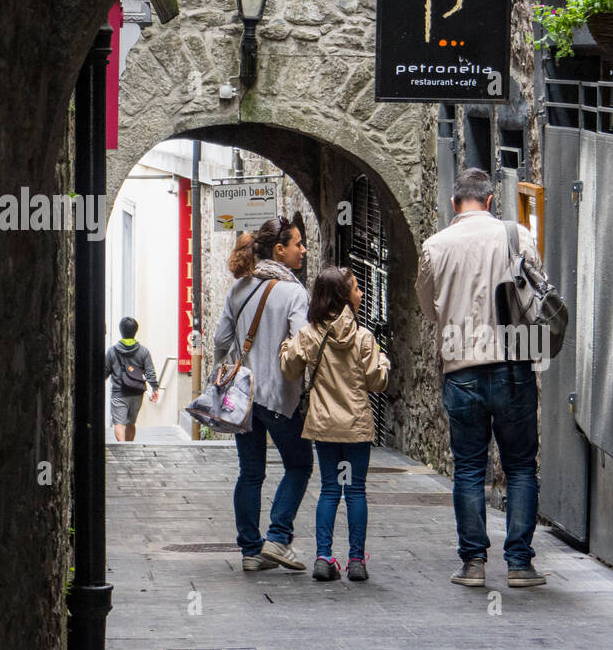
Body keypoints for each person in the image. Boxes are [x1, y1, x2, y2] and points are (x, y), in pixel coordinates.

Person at [415, 167, 547, 588]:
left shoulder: (435, 246)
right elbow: (538, 292)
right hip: (513, 365)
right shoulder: (517, 236)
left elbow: (427, 305)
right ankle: (520, 564)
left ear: (455, 203)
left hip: (461, 367)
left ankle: (473, 563)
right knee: (521, 467)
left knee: (469, 468)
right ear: (491, 200)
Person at [214, 216, 313, 573]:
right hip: (278, 396)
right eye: (298, 244)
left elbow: (221, 341)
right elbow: (301, 343)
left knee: (250, 472)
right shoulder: (294, 292)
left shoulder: (240, 288)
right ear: (279, 250)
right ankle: (278, 537)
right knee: (300, 464)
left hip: (243, 396)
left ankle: (251, 550)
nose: (303, 250)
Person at [281, 267, 390, 582]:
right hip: (356, 425)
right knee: (355, 490)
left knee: (330, 488)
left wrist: (285, 348)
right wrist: (384, 362)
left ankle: (323, 557)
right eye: (356, 288)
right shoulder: (363, 338)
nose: (360, 294)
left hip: (325, 424)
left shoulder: (310, 335)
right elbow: (377, 382)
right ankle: (356, 560)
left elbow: (289, 370)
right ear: (343, 296)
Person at [105, 316, 159, 442]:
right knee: (131, 423)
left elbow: (105, 371)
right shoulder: (143, 351)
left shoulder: (112, 351)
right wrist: (155, 388)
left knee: (119, 423)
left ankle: (122, 446)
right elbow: (150, 371)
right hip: (136, 393)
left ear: (121, 331)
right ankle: (129, 446)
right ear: (135, 331)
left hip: (119, 392)